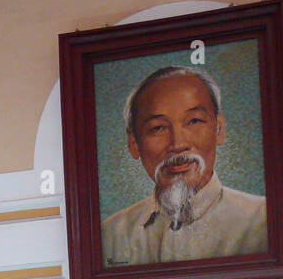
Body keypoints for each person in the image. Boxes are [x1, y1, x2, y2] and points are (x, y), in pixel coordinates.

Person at [101, 66, 267, 266]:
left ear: (219, 129)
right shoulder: (110, 235)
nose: (178, 144)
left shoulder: (263, 220)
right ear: (134, 143)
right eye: (158, 128)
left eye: (194, 121)